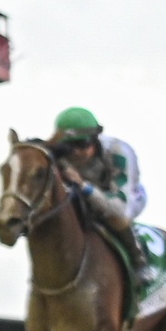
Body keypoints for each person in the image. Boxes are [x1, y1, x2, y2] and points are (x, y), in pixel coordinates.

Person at [48, 106, 148, 276]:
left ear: (95, 139)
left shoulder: (119, 152)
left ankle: (139, 259)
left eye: (82, 144)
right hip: (83, 196)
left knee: (114, 216)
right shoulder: (59, 152)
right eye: (69, 146)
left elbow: (119, 208)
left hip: (124, 198)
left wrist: (83, 186)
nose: (76, 152)